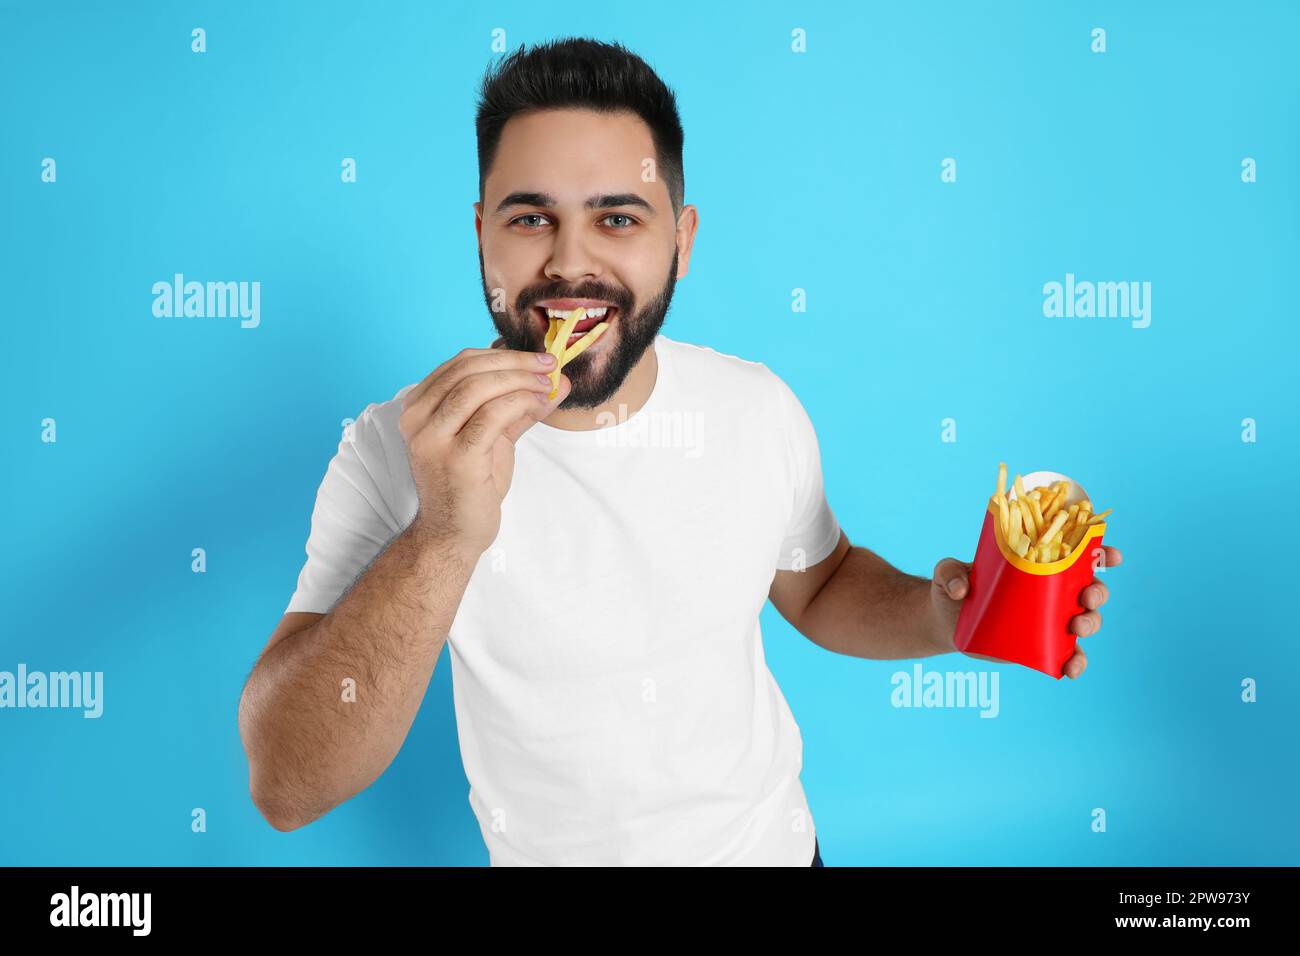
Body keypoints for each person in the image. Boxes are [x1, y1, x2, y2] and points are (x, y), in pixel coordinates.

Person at [237, 37, 1120, 866]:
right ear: (481, 235)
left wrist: (946, 615)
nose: (570, 263)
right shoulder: (397, 446)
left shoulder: (754, 407)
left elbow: (817, 580)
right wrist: (443, 536)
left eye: (617, 219)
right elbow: (286, 786)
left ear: (682, 241)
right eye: (530, 217)